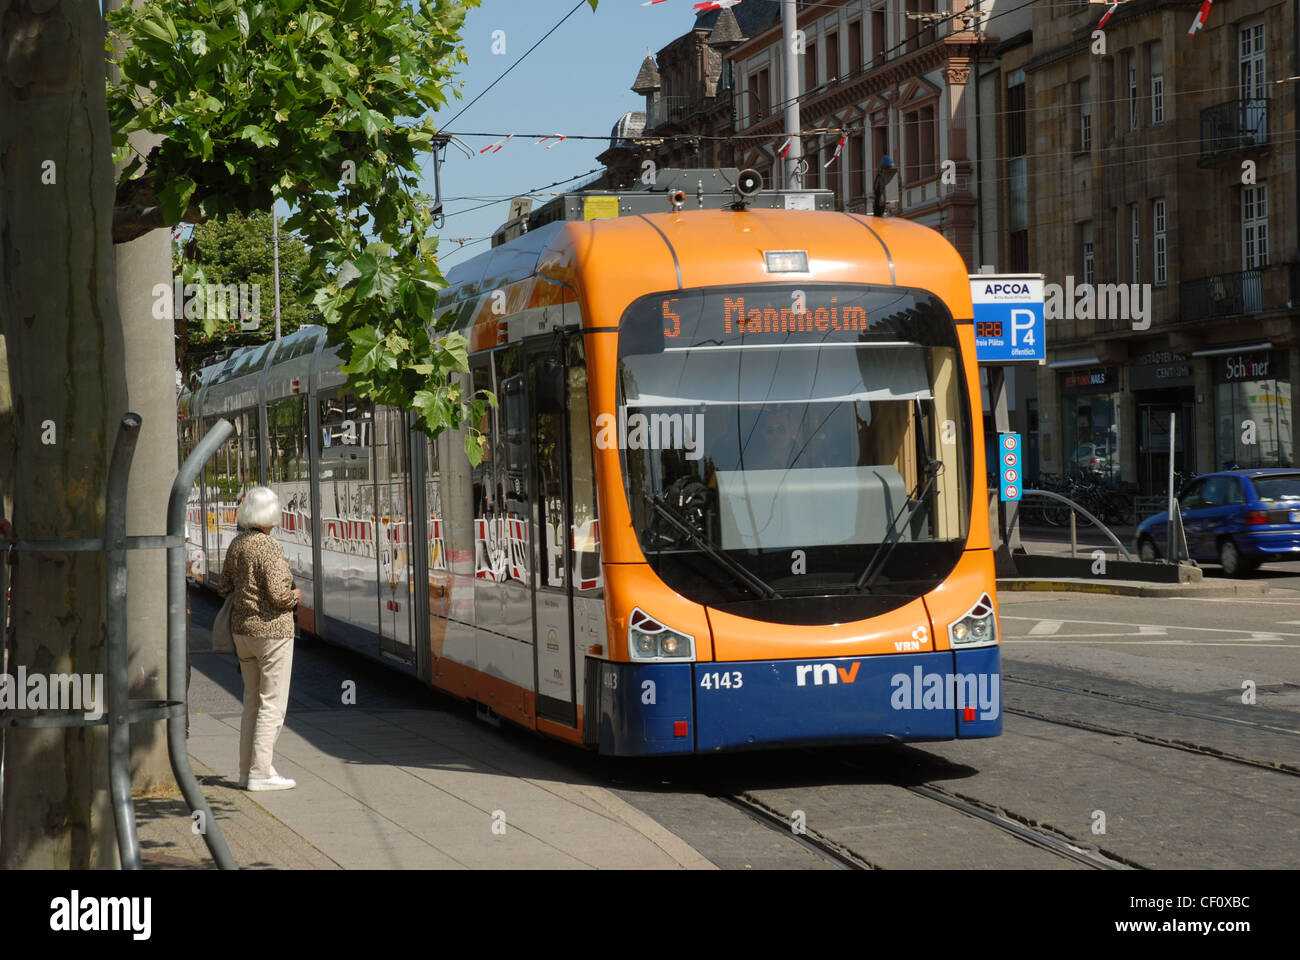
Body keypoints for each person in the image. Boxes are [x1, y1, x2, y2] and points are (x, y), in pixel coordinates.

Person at [219, 486, 301, 791]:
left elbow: (223, 586)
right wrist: (295, 594)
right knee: (272, 705)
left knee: (251, 703)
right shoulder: (269, 547)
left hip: (243, 633)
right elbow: (280, 596)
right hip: (273, 634)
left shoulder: (237, 545)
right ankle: (262, 772)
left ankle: (246, 771)